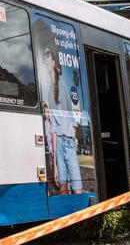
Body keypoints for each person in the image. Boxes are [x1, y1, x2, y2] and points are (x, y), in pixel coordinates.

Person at [43, 47, 83, 195]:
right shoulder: (52, 89)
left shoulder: (60, 86)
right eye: (45, 64)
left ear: (54, 62)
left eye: (48, 63)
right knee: (68, 184)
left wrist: (55, 163)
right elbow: (58, 125)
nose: (47, 67)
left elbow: (65, 121)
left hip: (65, 140)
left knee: (72, 185)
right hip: (63, 140)